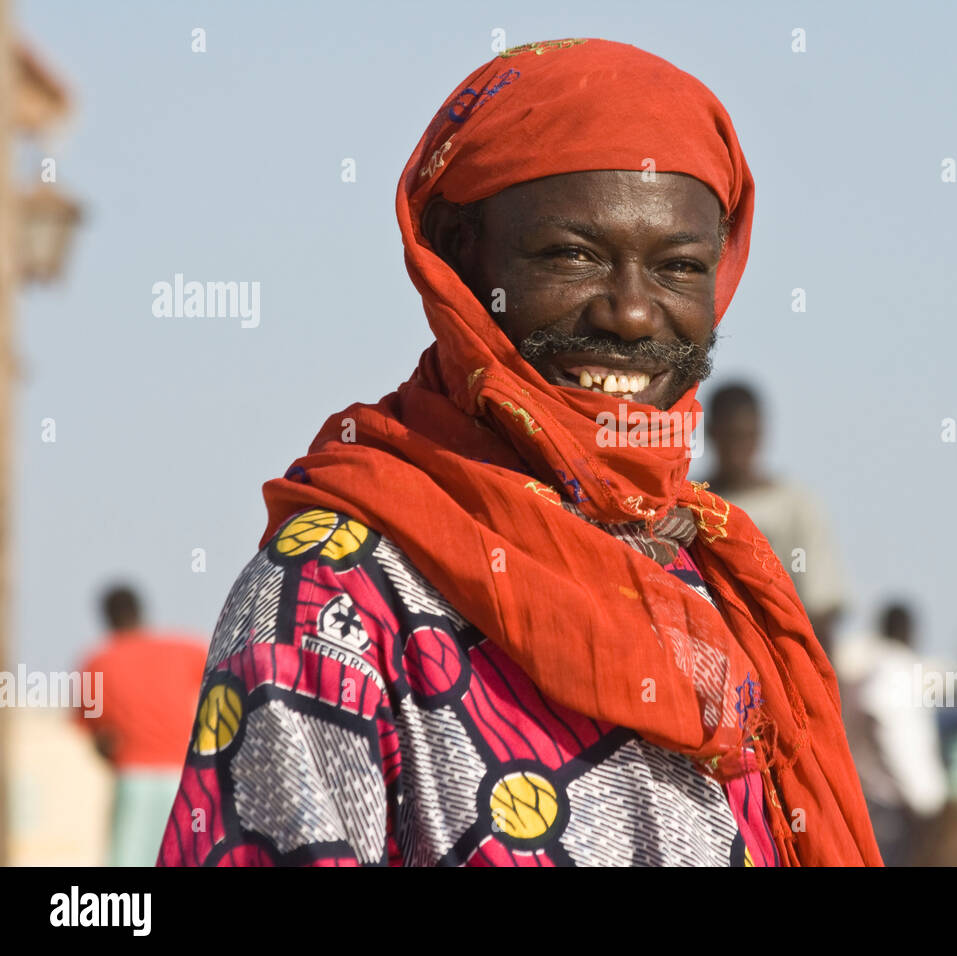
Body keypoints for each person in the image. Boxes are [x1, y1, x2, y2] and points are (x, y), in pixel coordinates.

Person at [158, 38, 882, 867]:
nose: (633, 315)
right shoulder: (335, 595)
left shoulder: (718, 582)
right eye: (573, 255)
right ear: (461, 258)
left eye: (679, 268)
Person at [702, 383, 847, 647]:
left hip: (778, 653)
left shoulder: (795, 506)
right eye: (731, 436)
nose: (739, 449)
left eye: (747, 436)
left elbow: (822, 603)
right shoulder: (693, 505)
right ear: (712, 434)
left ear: (761, 435)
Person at [73, 584, 208, 866]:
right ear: (140, 612)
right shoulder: (181, 648)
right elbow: (221, 673)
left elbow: (93, 732)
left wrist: (111, 752)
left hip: (133, 775)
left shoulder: (99, 661)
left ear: (106, 618)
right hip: (181, 773)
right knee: (186, 855)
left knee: (128, 862)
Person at [840, 603, 947, 865]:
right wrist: (915, 797)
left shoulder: (877, 667)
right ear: (908, 631)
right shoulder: (890, 669)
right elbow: (884, 727)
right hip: (890, 805)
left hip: (888, 803)